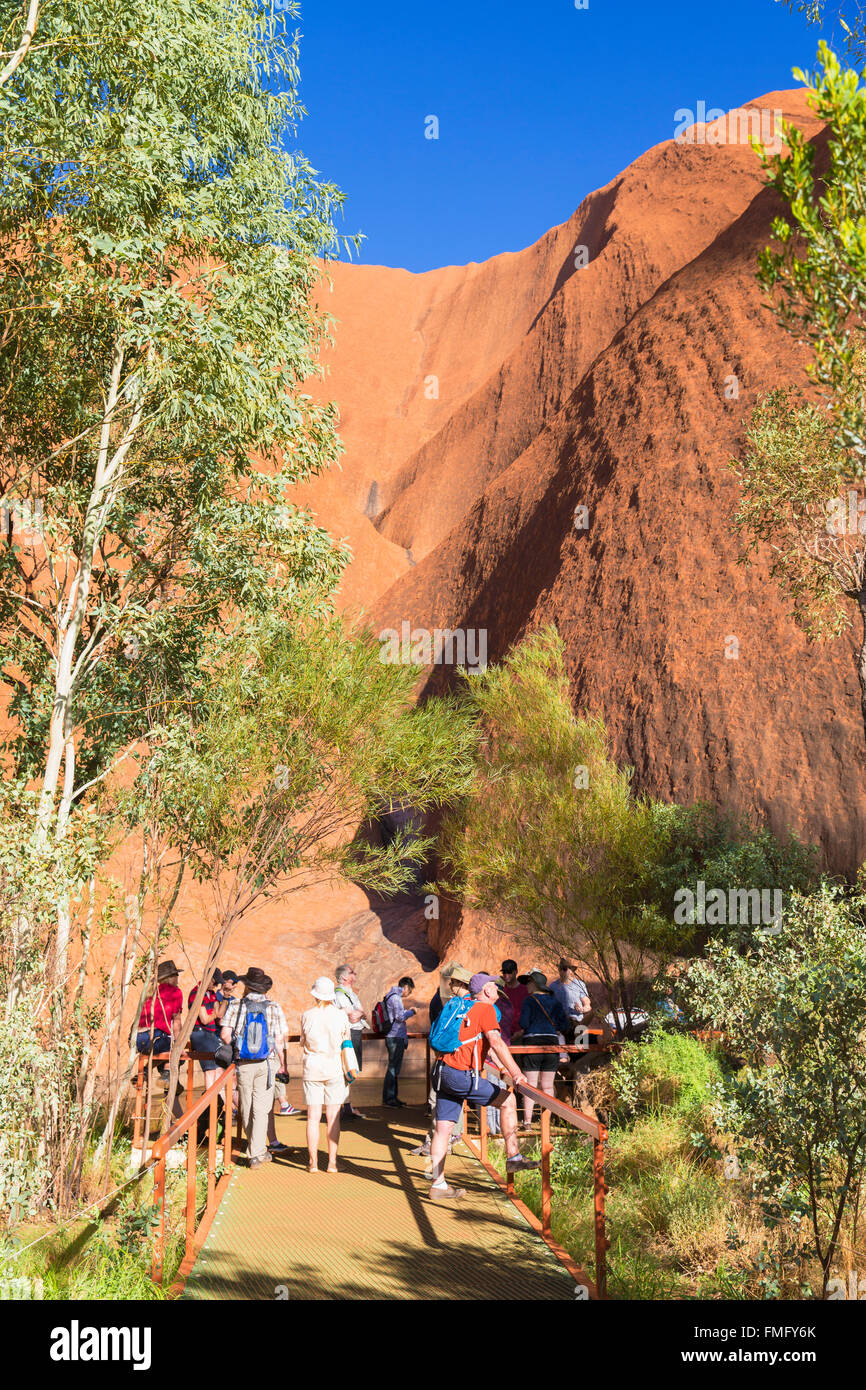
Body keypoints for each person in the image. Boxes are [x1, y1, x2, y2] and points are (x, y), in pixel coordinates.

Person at [429, 973, 540, 1202]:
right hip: (459, 1075)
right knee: (508, 1100)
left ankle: (438, 1185)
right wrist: (517, 1073)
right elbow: (497, 1042)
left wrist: (503, 1068)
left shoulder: (463, 1006)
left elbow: (486, 1047)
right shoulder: (485, 1009)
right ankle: (514, 1156)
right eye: (495, 988)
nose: (498, 993)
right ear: (488, 991)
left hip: (441, 1071)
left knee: (443, 1129)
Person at [220, 966, 289, 1169]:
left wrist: (234, 1044)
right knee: (261, 1108)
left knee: (246, 1106)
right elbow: (279, 1040)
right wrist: (283, 1065)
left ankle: (255, 1150)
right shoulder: (273, 1007)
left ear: (247, 987)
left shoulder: (236, 1005)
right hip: (266, 1064)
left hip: (243, 1063)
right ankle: (256, 1154)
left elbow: (225, 1035)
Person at [409, 964, 471, 1158]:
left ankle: (440, 1142)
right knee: (444, 1099)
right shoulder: (454, 1002)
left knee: (439, 1100)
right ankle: (443, 1139)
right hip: (453, 1060)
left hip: (449, 1061)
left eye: (452, 982)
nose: (449, 985)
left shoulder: (456, 1004)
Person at [299, 976, 353, 1173]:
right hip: (334, 1068)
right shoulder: (341, 1016)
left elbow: (303, 1042)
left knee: (313, 1117)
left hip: (312, 1067)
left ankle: (313, 1163)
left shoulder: (307, 1015)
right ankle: (332, 1163)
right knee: (333, 1117)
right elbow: (346, 1041)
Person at [516, 969, 569, 1128]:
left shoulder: (529, 1001)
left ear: (534, 984)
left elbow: (523, 1023)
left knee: (530, 1085)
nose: (526, 986)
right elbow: (564, 1025)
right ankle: (546, 1121)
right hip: (552, 1044)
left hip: (533, 1044)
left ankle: (527, 1122)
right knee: (547, 1085)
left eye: (528, 983)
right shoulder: (555, 1002)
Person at [136, 959, 185, 1118]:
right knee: (178, 1056)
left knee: (163, 1055)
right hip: (157, 1038)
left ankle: (144, 1071)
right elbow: (176, 1022)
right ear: (169, 977)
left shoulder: (150, 991)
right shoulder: (175, 992)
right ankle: (166, 1074)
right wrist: (180, 1044)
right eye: (176, 975)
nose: (177, 978)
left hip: (140, 1039)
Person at [334, 964, 368, 1121]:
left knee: (351, 1069)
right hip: (349, 1033)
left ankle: (347, 1107)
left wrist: (359, 1014)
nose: (355, 974)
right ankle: (343, 1108)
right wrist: (359, 1013)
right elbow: (354, 1016)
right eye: (352, 972)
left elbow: (361, 1013)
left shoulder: (350, 993)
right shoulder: (340, 994)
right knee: (346, 1069)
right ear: (344, 977)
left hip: (355, 1032)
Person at [484, 975, 513, 1137]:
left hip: (491, 1055)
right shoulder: (508, 1005)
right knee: (502, 1091)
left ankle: (490, 1128)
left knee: (490, 1091)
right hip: (505, 1050)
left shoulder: (489, 1007)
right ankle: (501, 1128)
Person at [382, 976, 416, 1108]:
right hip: (395, 1037)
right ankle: (389, 1098)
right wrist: (411, 1011)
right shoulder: (396, 998)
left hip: (394, 1036)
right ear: (406, 987)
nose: (409, 993)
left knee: (394, 1068)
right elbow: (400, 1017)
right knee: (392, 1068)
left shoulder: (391, 996)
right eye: (410, 990)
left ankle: (393, 1097)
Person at [548, 959, 592, 1037]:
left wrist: (582, 1009)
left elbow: (588, 1005)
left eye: (564, 969)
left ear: (571, 971)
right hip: (560, 1026)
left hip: (577, 1025)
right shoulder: (553, 986)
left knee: (580, 1047)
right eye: (560, 969)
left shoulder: (579, 985)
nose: (562, 971)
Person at [501, 959, 528, 1026]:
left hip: (520, 1031)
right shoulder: (500, 990)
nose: (506, 975)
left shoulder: (525, 990)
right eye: (504, 972)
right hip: (504, 1030)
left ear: (516, 972)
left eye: (509, 972)